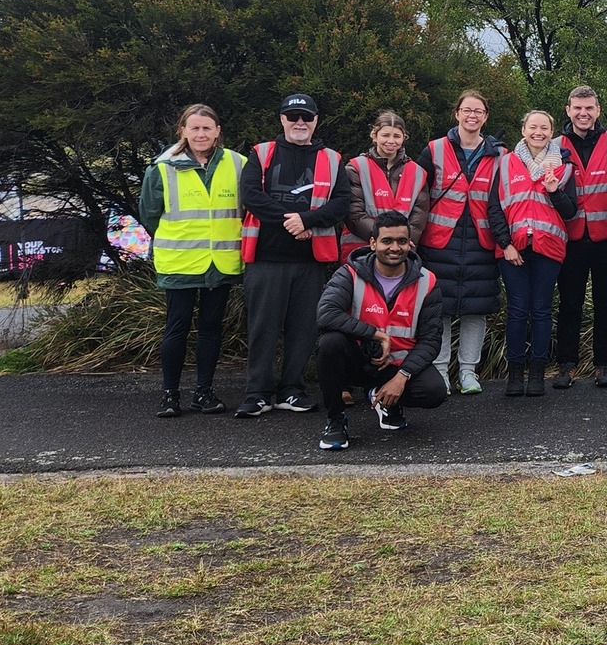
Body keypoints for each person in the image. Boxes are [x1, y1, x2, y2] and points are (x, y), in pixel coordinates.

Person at [234, 92, 350, 418]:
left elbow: (341, 202)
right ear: (282, 119)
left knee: (303, 328)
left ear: (316, 121)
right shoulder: (261, 153)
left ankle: (291, 389)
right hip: (266, 258)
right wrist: (293, 222)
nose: (300, 122)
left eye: (307, 117)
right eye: (293, 117)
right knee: (263, 327)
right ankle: (258, 392)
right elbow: (251, 196)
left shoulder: (332, 158)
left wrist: (308, 221)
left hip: (310, 259)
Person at [312, 212, 450, 451]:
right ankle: (336, 420)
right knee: (329, 343)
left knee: (434, 391)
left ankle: (386, 400)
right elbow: (326, 314)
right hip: (359, 361)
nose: (395, 248)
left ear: (410, 244)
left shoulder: (427, 281)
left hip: (398, 365)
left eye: (401, 241)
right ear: (373, 243)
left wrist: (402, 377)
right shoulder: (350, 273)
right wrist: (375, 334)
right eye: (387, 241)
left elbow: (430, 340)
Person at [141, 104, 245, 418]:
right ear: (183, 131)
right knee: (177, 327)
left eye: (206, 128)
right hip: (180, 262)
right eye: (194, 128)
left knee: (211, 328)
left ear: (217, 132)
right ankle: (170, 395)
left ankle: (204, 392)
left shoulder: (238, 163)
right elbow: (149, 214)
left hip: (221, 262)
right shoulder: (162, 167)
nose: (201, 134)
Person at [417, 90, 505, 395]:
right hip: (439, 241)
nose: (472, 115)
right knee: (438, 310)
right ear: (456, 113)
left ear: (486, 117)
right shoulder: (434, 149)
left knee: (475, 310)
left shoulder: (499, 155)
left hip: (482, 240)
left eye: (478, 111)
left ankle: (469, 372)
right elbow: (418, 195)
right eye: (467, 110)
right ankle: (441, 371)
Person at [495, 111, 577, 397]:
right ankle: (516, 374)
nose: (538, 132)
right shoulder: (505, 163)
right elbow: (494, 207)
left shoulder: (564, 168)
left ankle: (538, 373)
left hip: (548, 247)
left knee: (541, 310)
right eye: (533, 127)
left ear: (552, 132)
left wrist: (554, 191)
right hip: (512, 249)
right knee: (517, 310)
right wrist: (505, 243)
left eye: (544, 127)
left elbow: (570, 211)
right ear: (523, 130)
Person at [555, 86, 607, 390]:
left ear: (598, 110)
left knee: (606, 304)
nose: (583, 113)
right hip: (570, 237)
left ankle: (604, 364)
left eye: (589, 108)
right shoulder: (553, 146)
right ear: (568, 110)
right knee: (569, 304)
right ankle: (566, 365)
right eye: (577, 108)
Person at [341, 110, 429, 254]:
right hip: (361, 250)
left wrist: (403, 239)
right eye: (385, 135)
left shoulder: (417, 172)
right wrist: (384, 238)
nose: (391, 141)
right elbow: (354, 213)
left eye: (397, 136)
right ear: (374, 136)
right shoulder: (356, 168)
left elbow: (419, 214)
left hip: (400, 252)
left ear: (404, 138)